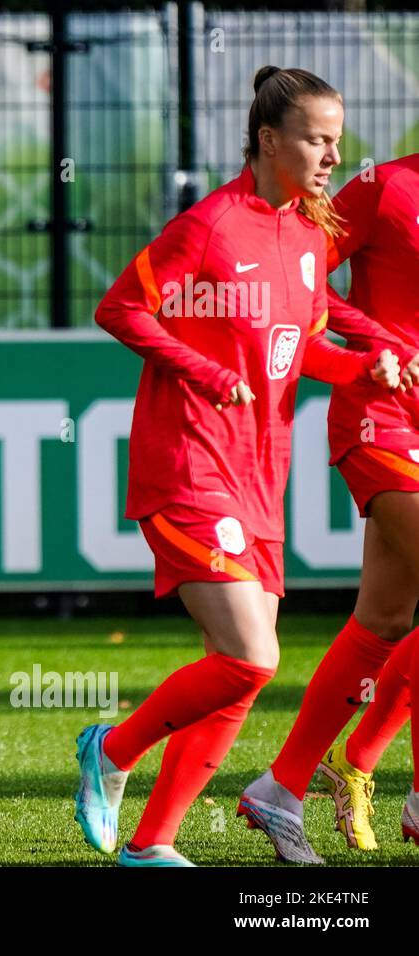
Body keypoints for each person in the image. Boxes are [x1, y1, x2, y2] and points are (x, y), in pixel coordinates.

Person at [77, 66, 400, 866]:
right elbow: (119, 307)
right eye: (317, 139)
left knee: (243, 672)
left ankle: (152, 844)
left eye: (337, 139)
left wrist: (363, 368)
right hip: (187, 465)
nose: (332, 155)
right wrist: (201, 367)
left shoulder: (301, 236)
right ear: (268, 140)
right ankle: (111, 749)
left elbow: (301, 346)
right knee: (253, 656)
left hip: (260, 478)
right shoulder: (211, 226)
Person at [239, 152, 419, 855]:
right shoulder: (386, 186)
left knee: (383, 619)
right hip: (381, 415)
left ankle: (281, 788)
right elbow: (303, 281)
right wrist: (378, 339)